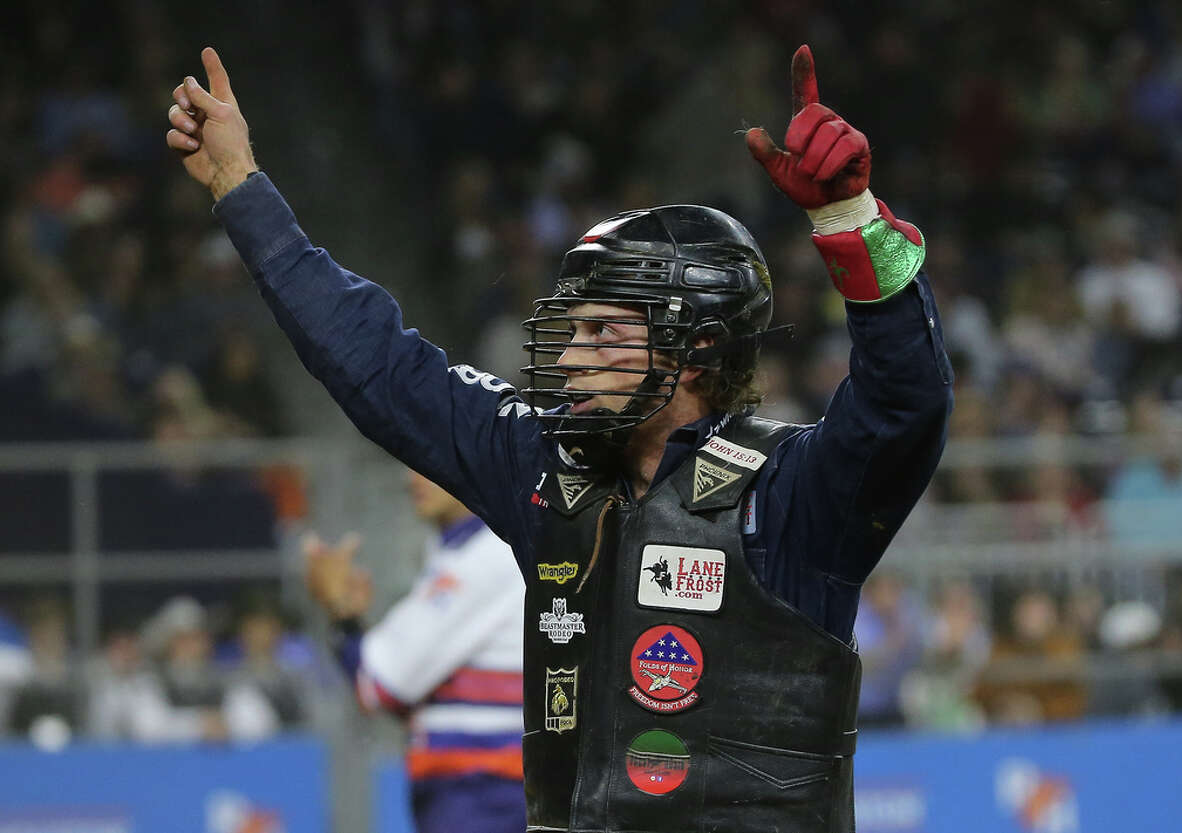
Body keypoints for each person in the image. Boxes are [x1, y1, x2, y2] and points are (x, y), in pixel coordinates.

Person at [168, 43, 951, 833]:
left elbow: (905, 404)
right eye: (570, 330)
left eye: (604, 331)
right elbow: (375, 362)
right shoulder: (545, 472)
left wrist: (851, 223)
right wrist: (240, 186)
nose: (571, 358)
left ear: (699, 349)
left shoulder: (794, 497)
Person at [303, 471, 525, 833]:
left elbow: (381, 684)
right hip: (486, 788)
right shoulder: (465, 549)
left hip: (484, 792)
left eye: (431, 458)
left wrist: (342, 613)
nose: (413, 476)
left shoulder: (487, 555)